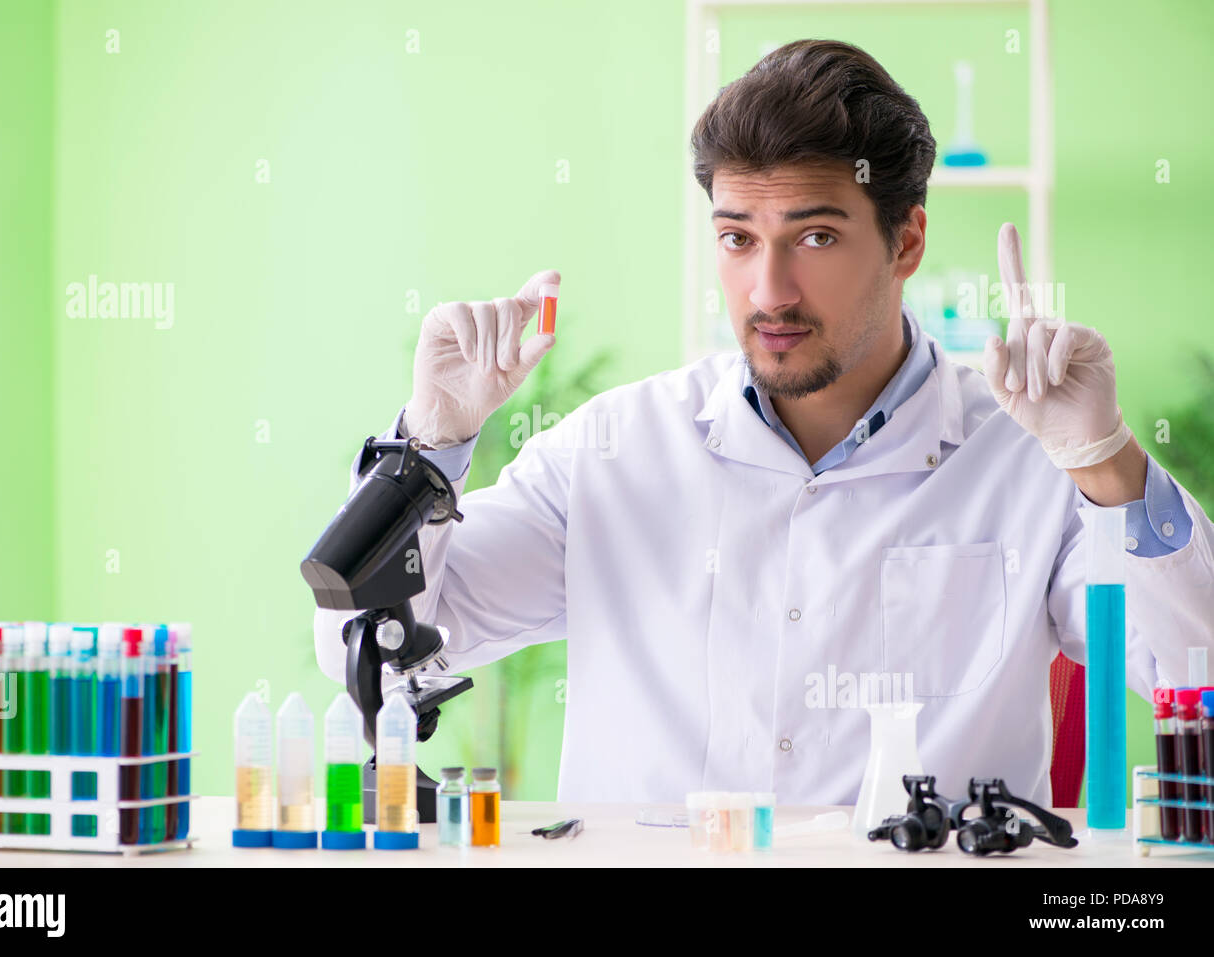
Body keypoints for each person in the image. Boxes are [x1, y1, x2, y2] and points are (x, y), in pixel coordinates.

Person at [314, 39, 1214, 806]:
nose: (768, 291)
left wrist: (1107, 465)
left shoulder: (1026, 462)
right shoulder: (611, 450)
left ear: (906, 242)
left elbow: (1197, 681)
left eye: (815, 237)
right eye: (738, 238)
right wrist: (427, 447)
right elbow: (364, 647)